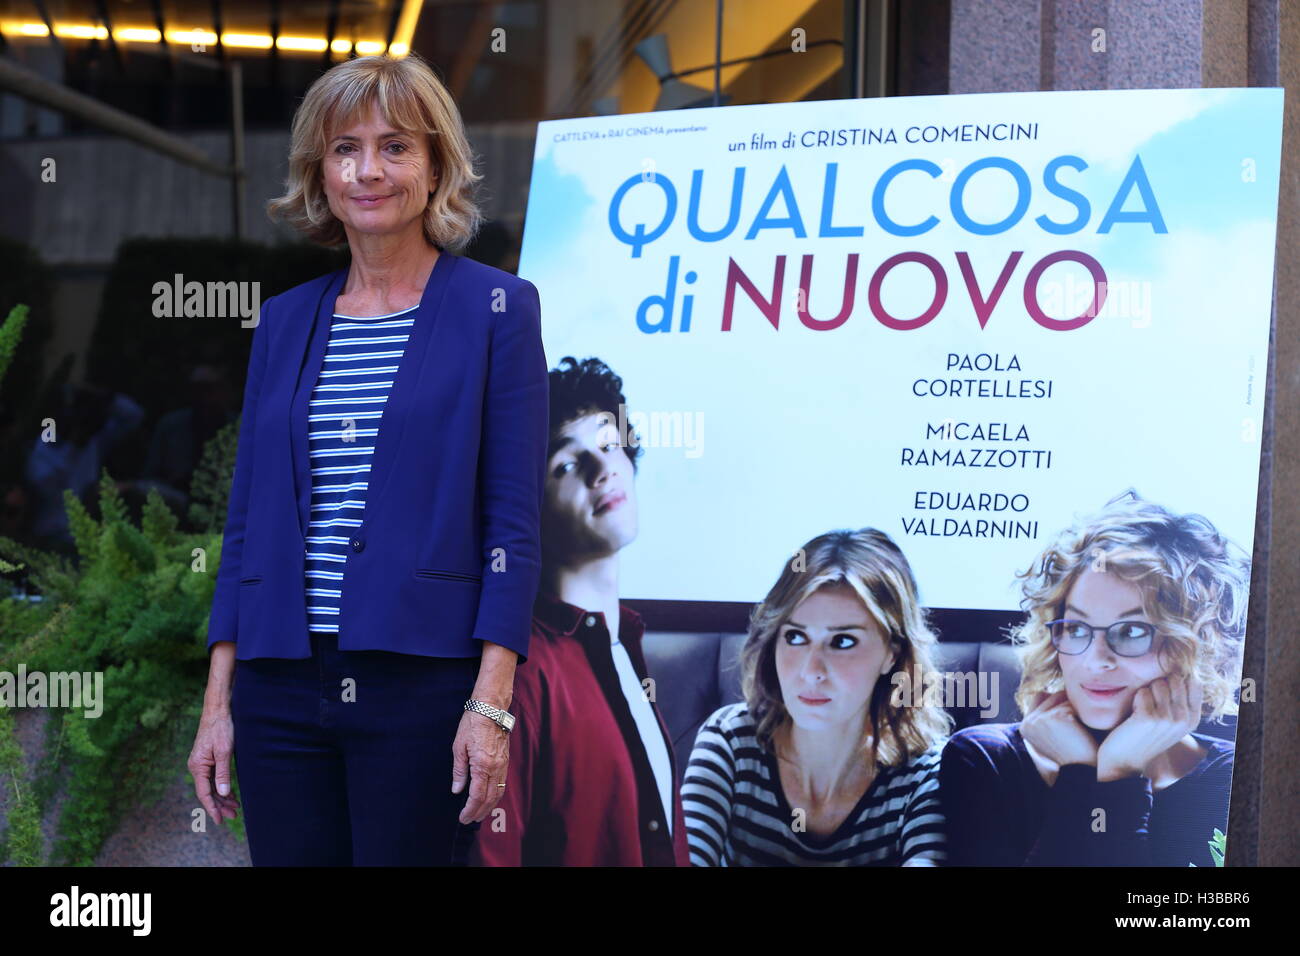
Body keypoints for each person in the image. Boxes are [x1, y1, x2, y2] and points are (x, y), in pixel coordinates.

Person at [186, 53, 548, 866]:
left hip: (420, 682)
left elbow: (514, 523)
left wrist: (490, 704)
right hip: (279, 685)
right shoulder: (284, 320)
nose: (368, 170)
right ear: (321, 172)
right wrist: (219, 700)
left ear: (434, 167)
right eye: (345, 149)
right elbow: (246, 525)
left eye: (395, 147)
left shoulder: (497, 310)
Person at [940, 491, 1248, 867]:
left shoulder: (1237, 779)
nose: (1095, 659)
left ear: (1197, 645)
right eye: (1076, 627)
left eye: (1132, 631)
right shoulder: (985, 759)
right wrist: (1085, 778)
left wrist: (1117, 772)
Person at [469, 356, 689, 866]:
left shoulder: (622, 642)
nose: (603, 467)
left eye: (610, 444)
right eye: (567, 464)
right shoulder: (520, 668)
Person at [682, 529, 952, 866]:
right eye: (795, 637)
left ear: (891, 655)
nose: (811, 671)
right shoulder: (732, 740)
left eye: (842, 642)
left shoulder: (925, 772)